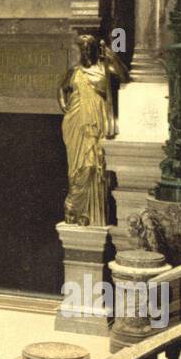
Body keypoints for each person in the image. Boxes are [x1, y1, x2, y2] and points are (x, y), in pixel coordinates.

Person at [58, 34, 129, 227]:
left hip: (96, 123)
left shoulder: (104, 69)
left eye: (89, 48)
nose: (85, 52)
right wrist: (64, 104)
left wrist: (112, 56)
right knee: (76, 167)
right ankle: (75, 209)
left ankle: (88, 212)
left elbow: (124, 76)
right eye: (82, 49)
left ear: (95, 50)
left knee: (92, 165)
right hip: (76, 123)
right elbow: (62, 88)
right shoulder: (74, 71)